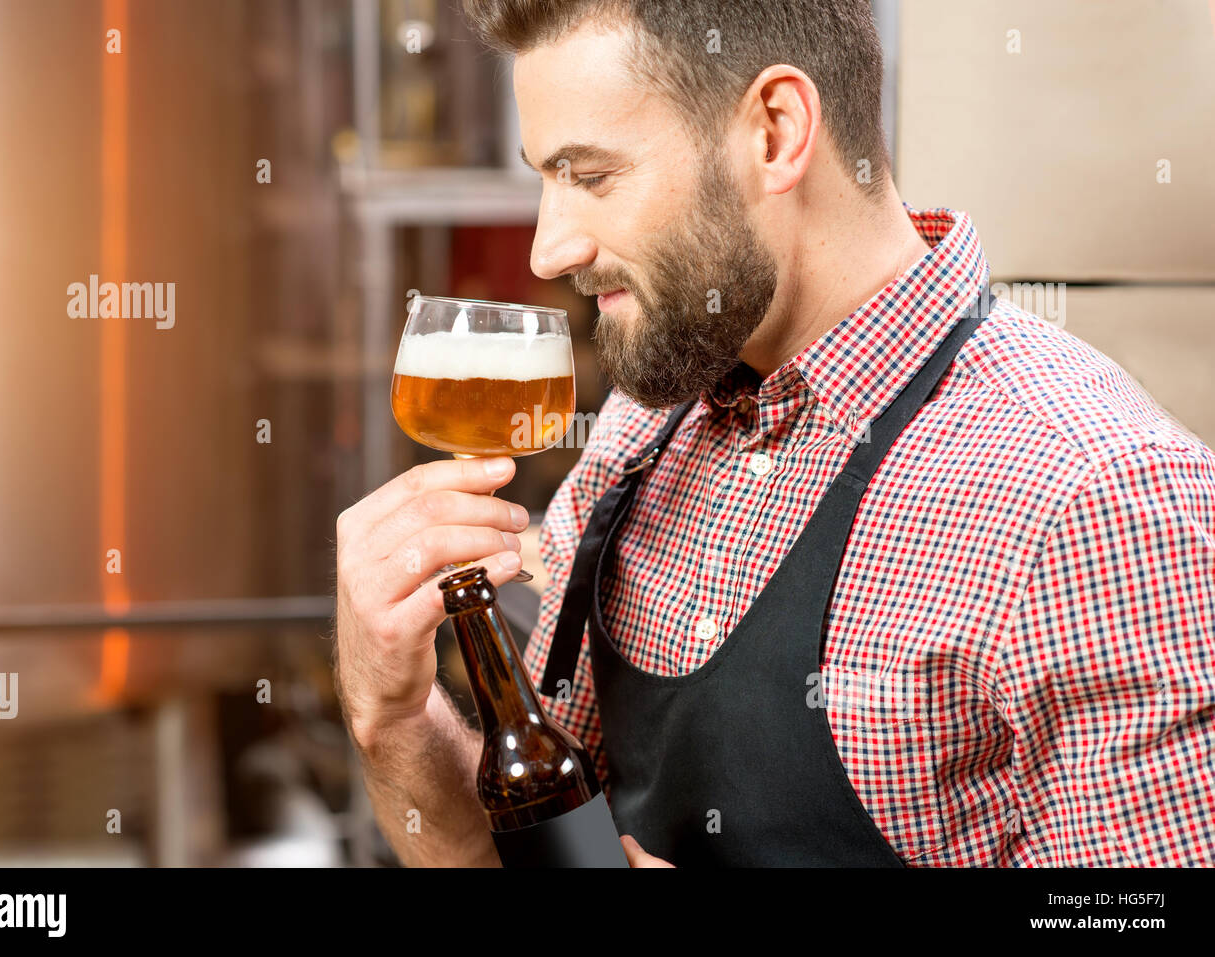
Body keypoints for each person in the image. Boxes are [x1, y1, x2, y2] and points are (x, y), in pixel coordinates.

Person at [334, 0, 1215, 866]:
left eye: (591, 176)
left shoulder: (1103, 496)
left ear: (776, 131)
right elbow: (532, 843)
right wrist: (395, 720)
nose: (548, 248)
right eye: (544, 177)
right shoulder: (645, 428)